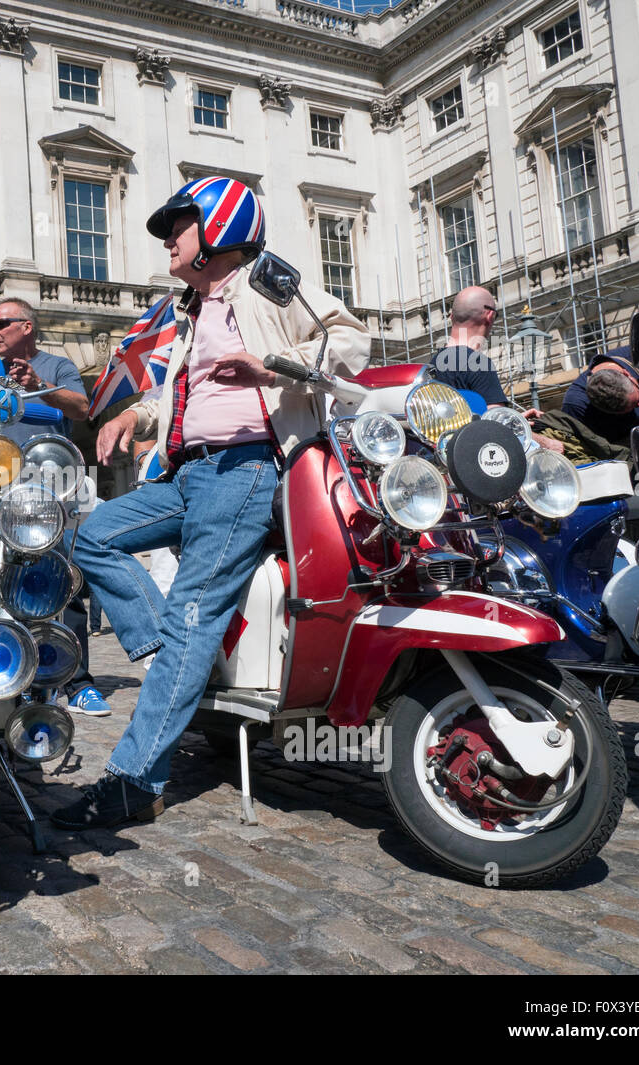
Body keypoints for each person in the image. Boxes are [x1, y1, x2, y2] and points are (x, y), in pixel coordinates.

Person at [54, 177, 371, 829]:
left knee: (190, 621)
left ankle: (136, 778)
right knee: (90, 536)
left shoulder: (264, 282)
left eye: (179, 222)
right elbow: (180, 399)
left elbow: (350, 344)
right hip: (189, 475)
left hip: (245, 469)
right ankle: (172, 651)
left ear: (221, 227)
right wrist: (131, 416)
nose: (168, 237)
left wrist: (272, 367)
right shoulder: (186, 313)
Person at [0, 298, 113, 717]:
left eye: (2, 323)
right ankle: (16, 677)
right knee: (0, 586)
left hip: (51, 489)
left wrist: (39, 383)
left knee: (63, 583)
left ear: (27, 326)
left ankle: (76, 682)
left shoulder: (57, 367)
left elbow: (82, 409)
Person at [429, 287, 508, 407]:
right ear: (490, 316)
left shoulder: (431, 365)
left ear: (451, 317)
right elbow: (495, 421)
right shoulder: (478, 363)